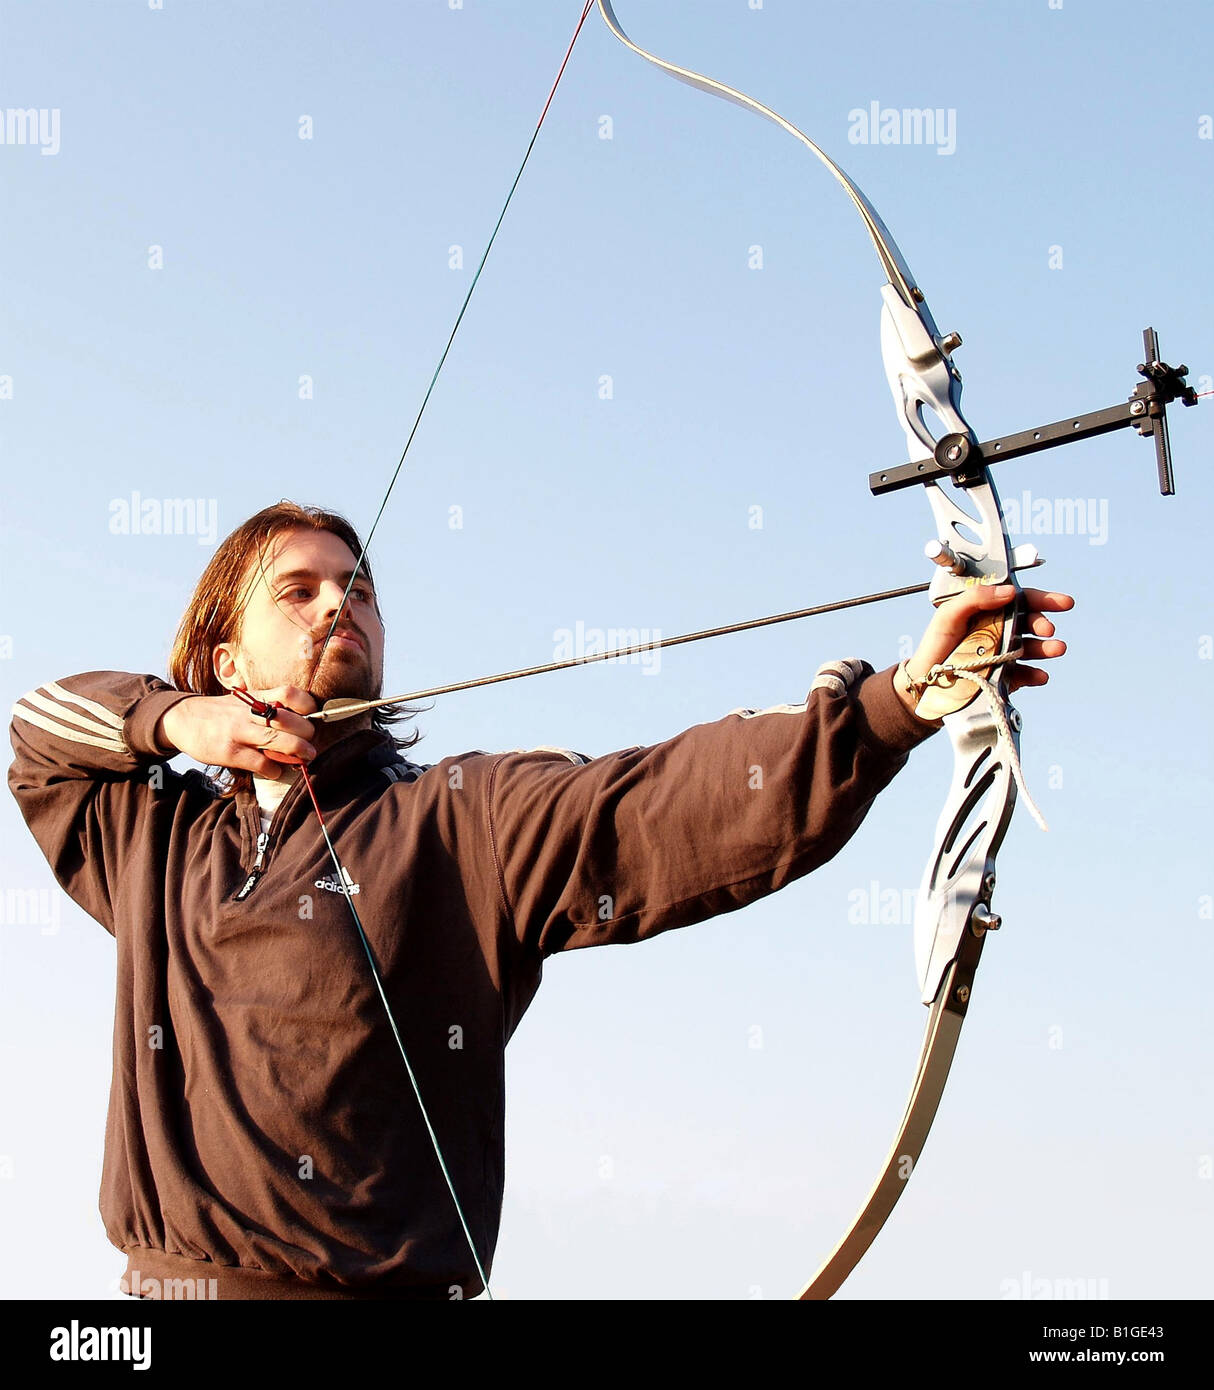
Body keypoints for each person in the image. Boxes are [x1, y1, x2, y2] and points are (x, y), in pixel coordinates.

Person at [8, 501, 1072, 1300]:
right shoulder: (157, 834)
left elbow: (653, 808)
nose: (343, 600)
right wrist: (174, 721)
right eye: (300, 588)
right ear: (225, 653)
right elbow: (36, 734)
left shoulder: (460, 817)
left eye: (361, 587)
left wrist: (889, 708)